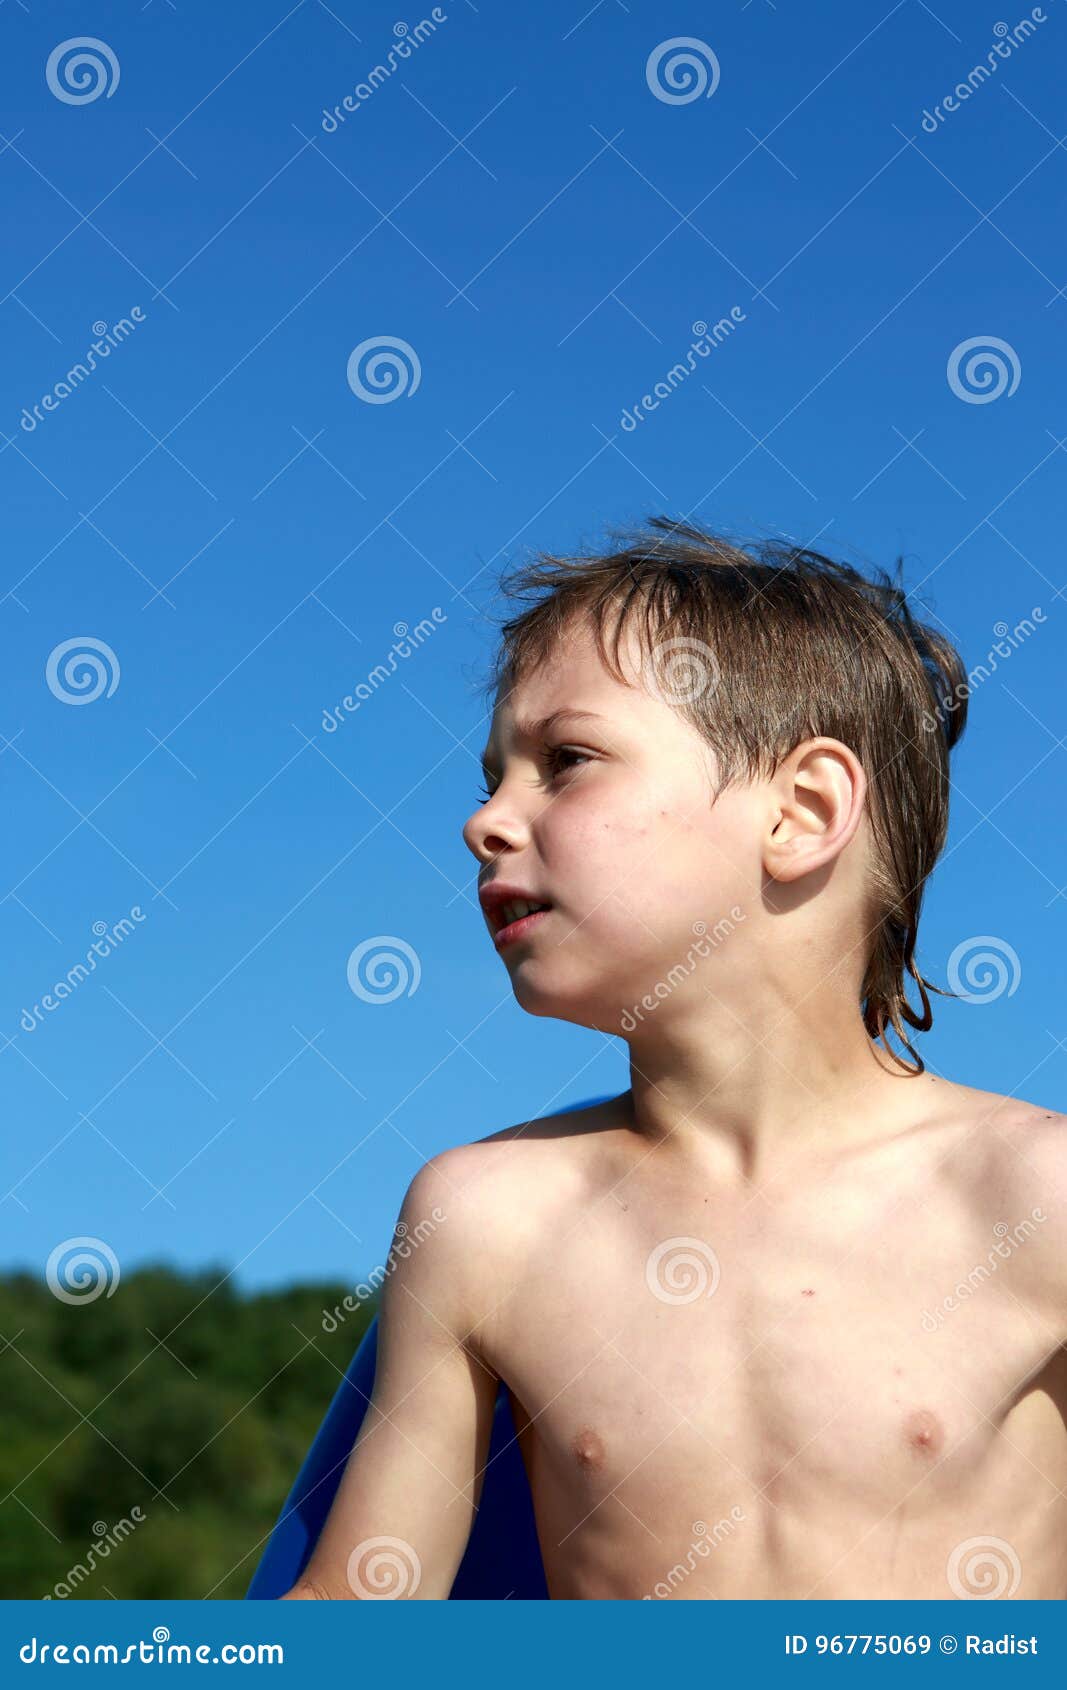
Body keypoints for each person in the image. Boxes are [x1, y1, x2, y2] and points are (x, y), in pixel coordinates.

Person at [283, 515, 1065, 1601]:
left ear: (802, 812)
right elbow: (358, 1623)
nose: (485, 823)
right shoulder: (486, 1221)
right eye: (491, 779)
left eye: (565, 762)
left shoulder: (1031, 1197)